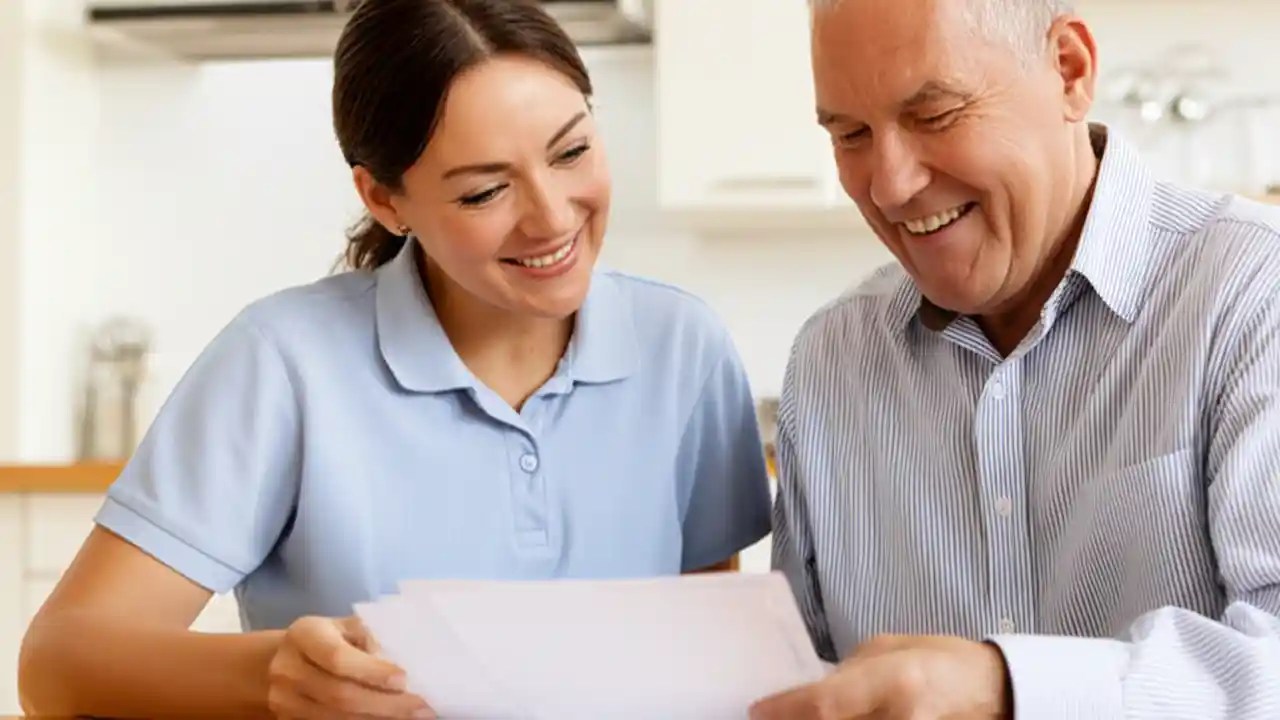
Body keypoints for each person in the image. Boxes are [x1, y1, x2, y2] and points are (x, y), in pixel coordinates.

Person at [18, 0, 772, 717]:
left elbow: (696, 665)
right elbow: (55, 663)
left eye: (571, 151)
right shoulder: (284, 363)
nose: (551, 217)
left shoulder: (683, 350)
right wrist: (275, 676)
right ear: (385, 200)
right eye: (484, 193)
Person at [749, 0, 1280, 718]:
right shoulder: (831, 361)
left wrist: (1006, 688)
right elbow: (802, 679)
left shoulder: (1252, 294)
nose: (889, 185)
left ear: (1069, 69)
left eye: (935, 116)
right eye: (850, 134)